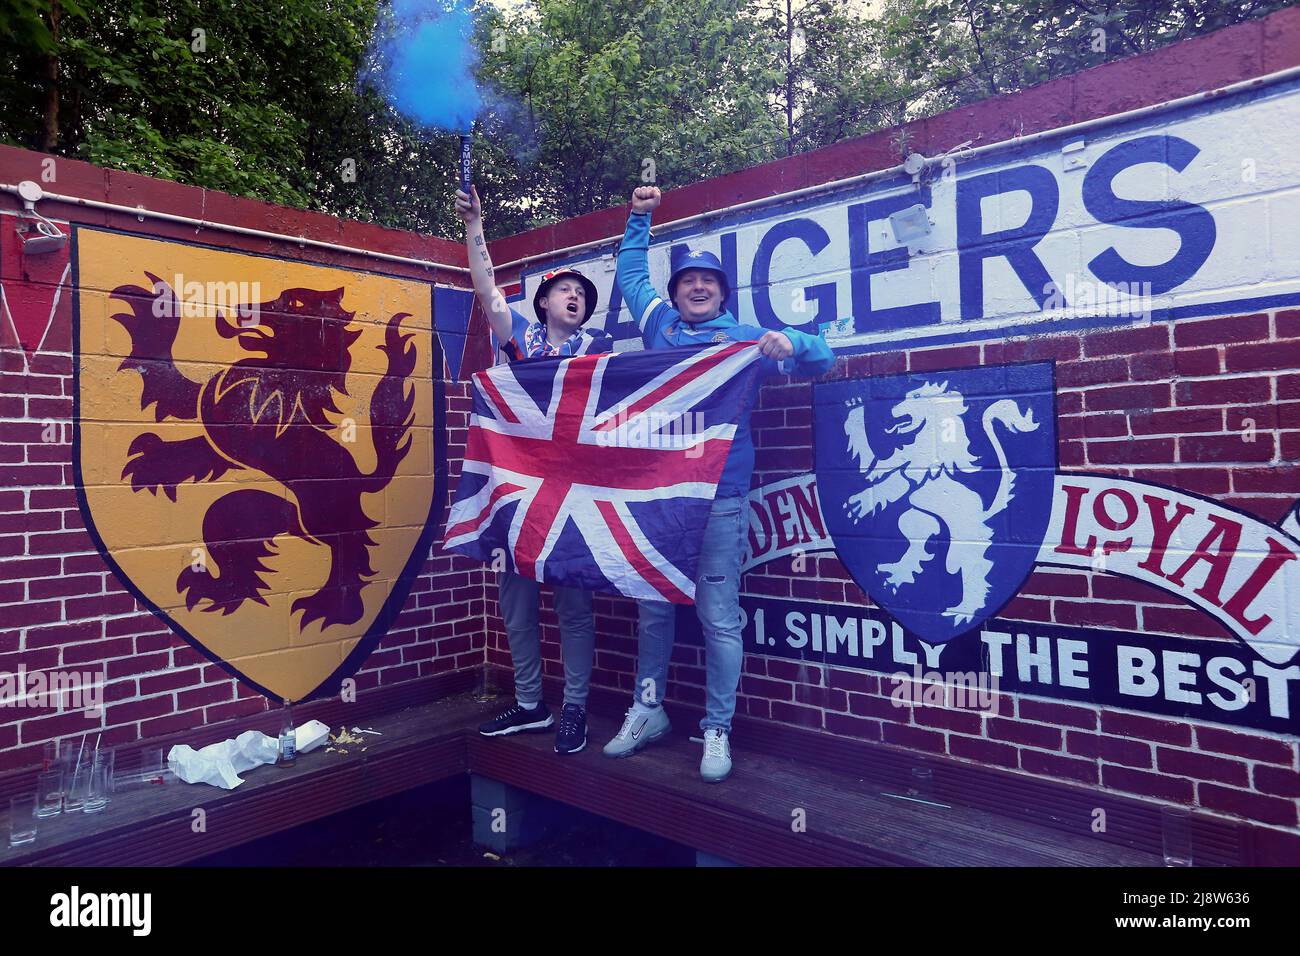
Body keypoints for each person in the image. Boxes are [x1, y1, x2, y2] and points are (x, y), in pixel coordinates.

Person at [604, 185, 835, 782]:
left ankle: (716, 729)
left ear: (723, 293)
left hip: (720, 502)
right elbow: (631, 272)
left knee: (717, 616)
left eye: (707, 281)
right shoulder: (659, 327)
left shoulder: (746, 339)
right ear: (676, 292)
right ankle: (649, 710)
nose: (696, 288)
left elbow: (822, 359)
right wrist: (639, 217)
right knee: (654, 611)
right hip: (659, 502)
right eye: (686, 282)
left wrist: (796, 342)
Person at [456, 184, 611, 754]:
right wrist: (475, 225)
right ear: (543, 300)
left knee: (573, 603)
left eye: (581, 293)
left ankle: (575, 709)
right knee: (516, 602)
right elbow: (485, 287)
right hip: (516, 490)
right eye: (564, 290)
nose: (574, 297)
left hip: (573, 493)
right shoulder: (515, 335)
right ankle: (529, 704)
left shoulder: (602, 347)